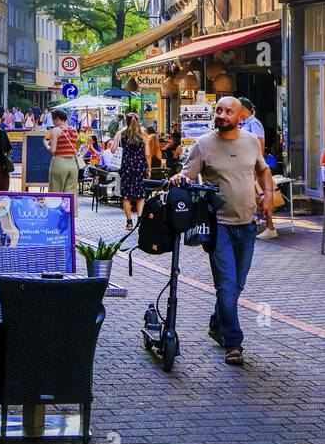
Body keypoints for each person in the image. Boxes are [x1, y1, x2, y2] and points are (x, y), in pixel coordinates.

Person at [172, 95, 273, 367]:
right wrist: (180, 179)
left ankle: (218, 323)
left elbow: (263, 171)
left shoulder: (251, 142)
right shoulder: (203, 145)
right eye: (219, 110)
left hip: (248, 225)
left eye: (229, 111)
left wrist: (269, 195)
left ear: (241, 116)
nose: (222, 115)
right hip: (219, 228)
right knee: (226, 286)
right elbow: (188, 175)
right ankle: (234, 343)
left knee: (236, 285)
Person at [238, 98, 278, 240]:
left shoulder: (254, 123)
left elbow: (259, 146)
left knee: (261, 196)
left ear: (244, 109)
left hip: (253, 166)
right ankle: (257, 223)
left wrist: (256, 166)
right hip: (246, 166)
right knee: (254, 197)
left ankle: (270, 226)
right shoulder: (242, 124)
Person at [116, 114, 149, 229]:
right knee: (141, 195)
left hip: (126, 166)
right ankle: (139, 221)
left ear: (126, 121)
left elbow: (113, 149)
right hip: (140, 166)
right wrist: (149, 169)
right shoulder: (143, 134)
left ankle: (129, 222)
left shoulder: (122, 133)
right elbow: (147, 154)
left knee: (126, 196)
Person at [45, 110, 79, 194]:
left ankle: (56, 208)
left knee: (56, 192)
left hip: (59, 163)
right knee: (70, 194)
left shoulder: (56, 130)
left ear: (57, 119)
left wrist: (46, 145)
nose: (53, 123)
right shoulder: (74, 130)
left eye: (53, 120)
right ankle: (70, 207)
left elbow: (53, 150)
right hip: (73, 164)